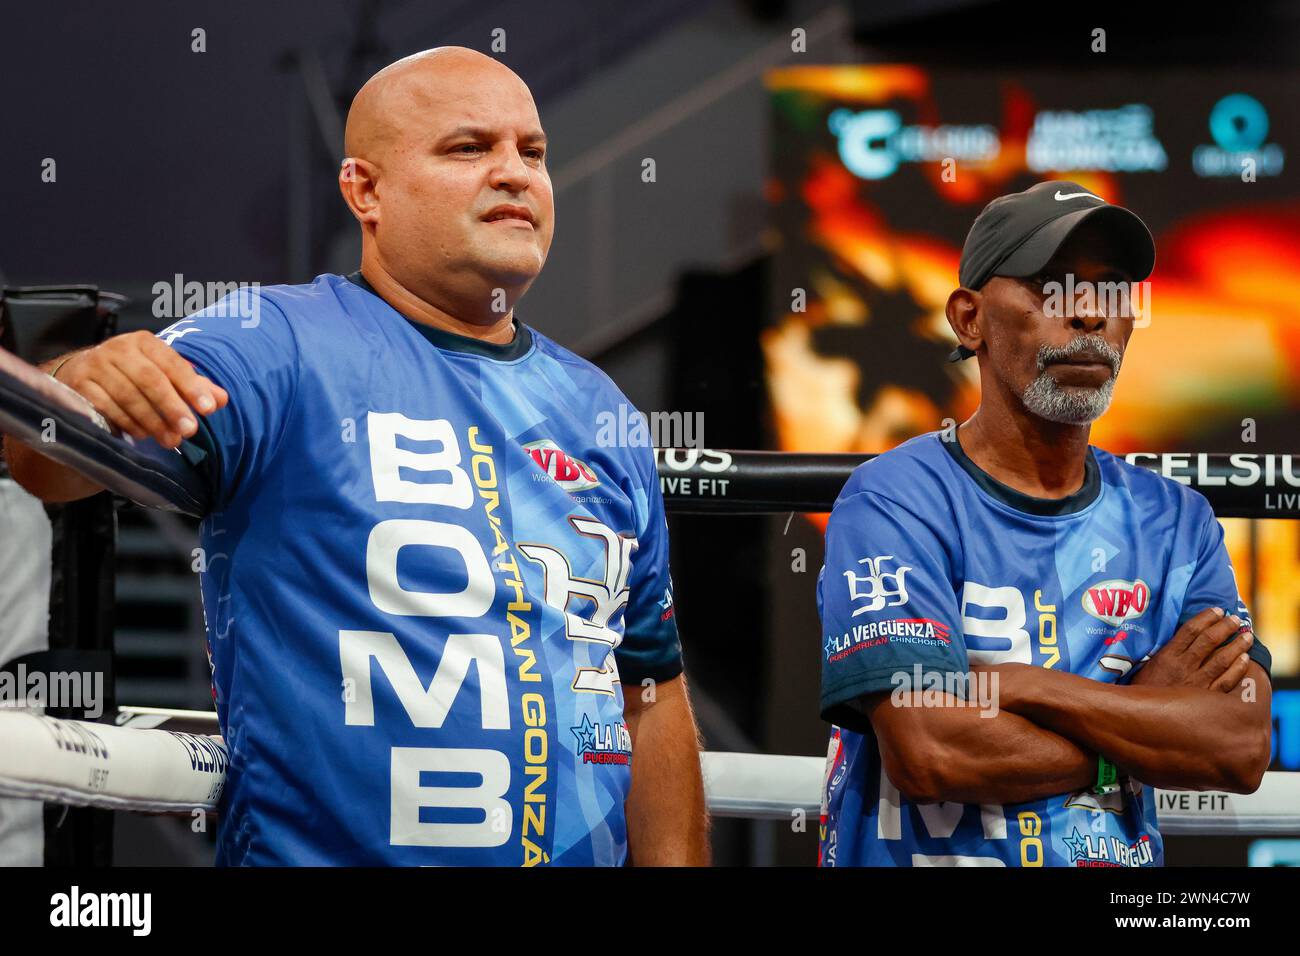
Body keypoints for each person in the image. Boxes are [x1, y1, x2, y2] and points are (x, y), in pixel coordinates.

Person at [5, 47, 709, 866]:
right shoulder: (277, 345)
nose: (515, 173)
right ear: (365, 190)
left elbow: (648, 692)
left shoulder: (599, 409)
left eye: (534, 151)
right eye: (469, 148)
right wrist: (75, 381)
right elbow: (53, 465)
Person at [817, 180, 1272, 867]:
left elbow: (1237, 745)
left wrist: (1027, 687)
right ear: (969, 319)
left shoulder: (1177, 520)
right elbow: (932, 750)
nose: (1088, 313)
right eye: (1052, 287)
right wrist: (1140, 717)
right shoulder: (893, 499)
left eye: (1112, 289)